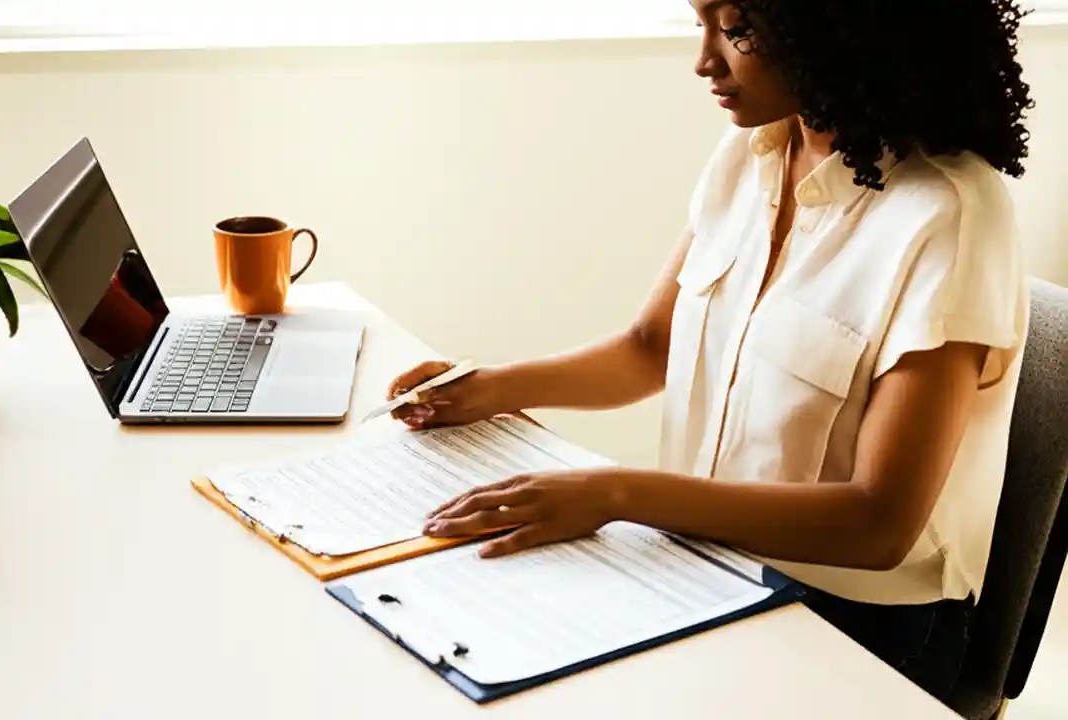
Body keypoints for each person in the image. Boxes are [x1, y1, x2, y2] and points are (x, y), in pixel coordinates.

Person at [387, 0, 1036, 703]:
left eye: (736, 30)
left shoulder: (949, 215)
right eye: (700, 23)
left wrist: (617, 493)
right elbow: (650, 347)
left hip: (863, 625)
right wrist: (489, 386)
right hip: (704, 566)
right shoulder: (754, 151)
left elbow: (879, 523)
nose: (704, 60)